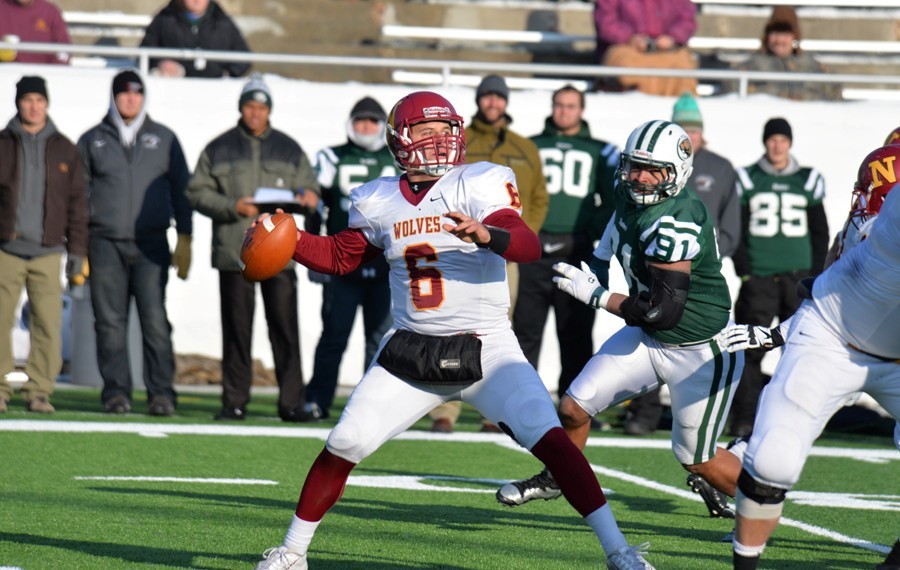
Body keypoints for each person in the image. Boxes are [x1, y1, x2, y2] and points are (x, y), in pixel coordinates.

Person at [253, 91, 653, 570]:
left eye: (447, 129)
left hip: (487, 348)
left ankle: (620, 553)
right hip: (410, 351)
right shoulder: (378, 198)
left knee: (554, 444)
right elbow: (342, 255)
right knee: (345, 442)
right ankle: (292, 552)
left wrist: (489, 235)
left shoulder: (479, 182)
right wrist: (292, 240)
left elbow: (524, 244)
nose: (441, 140)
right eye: (427, 130)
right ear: (400, 140)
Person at [496, 121, 745, 524]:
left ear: (677, 172)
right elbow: (618, 221)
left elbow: (662, 312)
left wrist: (597, 294)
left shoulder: (676, 219)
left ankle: (764, 501)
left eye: (653, 171)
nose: (640, 178)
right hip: (651, 338)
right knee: (575, 407)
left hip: (700, 349)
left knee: (696, 460)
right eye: (634, 166)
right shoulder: (631, 193)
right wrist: (597, 261)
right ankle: (558, 476)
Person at [726, 146, 900, 570]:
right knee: (773, 460)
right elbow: (836, 273)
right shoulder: (888, 223)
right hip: (833, 337)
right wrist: (785, 330)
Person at [186, 74, 319, 422]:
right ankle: (234, 402)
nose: (255, 113)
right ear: (241, 108)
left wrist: (309, 197)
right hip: (235, 255)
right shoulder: (219, 147)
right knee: (236, 331)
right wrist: (234, 206)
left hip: (281, 257)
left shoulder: (290, 149)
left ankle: (291, 403)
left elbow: (311, 188)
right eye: (250, 106)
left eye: (261, 107)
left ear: (269, 110)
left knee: (285, 330)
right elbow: (196, 191)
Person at [428, 73, 549, 433]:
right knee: (449, 325)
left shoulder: (524, 147)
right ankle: (444, 412)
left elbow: (539, 198)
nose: (493, 102)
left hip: (501, 254)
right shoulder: (456, 141)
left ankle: (493, 411)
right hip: (455, 248)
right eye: (487, 96)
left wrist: (516, 238)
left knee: (496, 329)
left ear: (506, 102)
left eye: (499, 96)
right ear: (479, 100)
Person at [623, 91, 741, 438]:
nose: (692, 135)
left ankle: (704, 425)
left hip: (699, 280)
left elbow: (730, 227)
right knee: (650, 336)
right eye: (683, 128)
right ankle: (644, 413)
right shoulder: (647, 169)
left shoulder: (720, 168)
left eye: (696, 129)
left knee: (688, 348)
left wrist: (698, 253)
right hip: (655, 272)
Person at [77, 69, 192, 416]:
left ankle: (161, 394)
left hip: (151, 244)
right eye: (123, 93)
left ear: (144, 97)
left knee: (155, 321)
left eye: (136, 93)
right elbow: (78, 196)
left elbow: (182, 189)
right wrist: (78, 246)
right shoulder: (91, 140)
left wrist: (186, 235)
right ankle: (116, 393)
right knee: (109, 323)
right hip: (104, 242)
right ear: (113, 97)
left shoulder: (165, 138)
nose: (130, 99)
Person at [514, 84, 619, 402]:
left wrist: (590, 228)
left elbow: (614, 199)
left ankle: (575, 404)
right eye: (559, 104)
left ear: (582, 110)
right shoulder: (530, 145)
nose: (564, 111)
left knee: (575, 332)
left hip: (576, 248)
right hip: (534, 247)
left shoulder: (600, 150)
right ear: (552, 106)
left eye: (571, 106)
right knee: (524, 330)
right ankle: (520, 400)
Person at [729, 117, 829, 438]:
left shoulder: (808, 179)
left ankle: (793, 418)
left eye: (782, 140)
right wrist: (745, 270)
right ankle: (744, 418)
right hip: (759, 279)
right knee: (750, 349)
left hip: (797, 279)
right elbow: (739, 228)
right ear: (765, 142)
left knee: (799, 350)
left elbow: (820, 231)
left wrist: (815, 275)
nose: (777, 145)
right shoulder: (748, 178)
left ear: (790, 143)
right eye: (772, 139)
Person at [302, 96, 396, 421]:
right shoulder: (331, 157)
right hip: (343, 265)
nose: (366, 127)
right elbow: (315, 205)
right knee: (333, 336)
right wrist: (315, 254)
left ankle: (374, 409)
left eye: (373, 121)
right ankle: (317, 399)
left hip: (385, 267)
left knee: (380, 342)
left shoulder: (397, 159)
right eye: (361, 120)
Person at [0, 76, 88, 413]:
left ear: (47, 103)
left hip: (48, 251)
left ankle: (39, 391)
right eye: (27, 100)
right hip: (7, 248)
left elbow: (78, 204)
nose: (33, 106)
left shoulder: (65, 148)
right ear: (18, 103)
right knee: (0, 320)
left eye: (39, 99)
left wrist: (78, 251)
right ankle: (1, 390)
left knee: (48, 325)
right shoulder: (3, 142)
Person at [732, 6, 842, 101]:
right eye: (774, 33)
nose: (779, 40)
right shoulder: (748, 68)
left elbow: (837, 106)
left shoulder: (817, 69)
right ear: (766, 37)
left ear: (795, 37)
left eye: (785, 34)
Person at [593, 0, 698, 96]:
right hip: (626, 47)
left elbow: (686, 20)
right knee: (626, 64)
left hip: (668, 50)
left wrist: (673, 37)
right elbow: (606, 22)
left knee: (682, 63)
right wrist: (630, 38)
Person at [140, 0, 250, 78]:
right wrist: (161, 64)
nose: (197, 0)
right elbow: (144, 52)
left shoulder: (223, 22)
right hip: (173, 90)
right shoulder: (165, 19)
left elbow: (244, 58)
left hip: (216, 92)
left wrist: (226, 74)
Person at [0, 0, 70, 64]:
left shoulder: (50, 12)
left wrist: (51, 72)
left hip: (43, 74)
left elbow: (64, 50)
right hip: (5, 73)